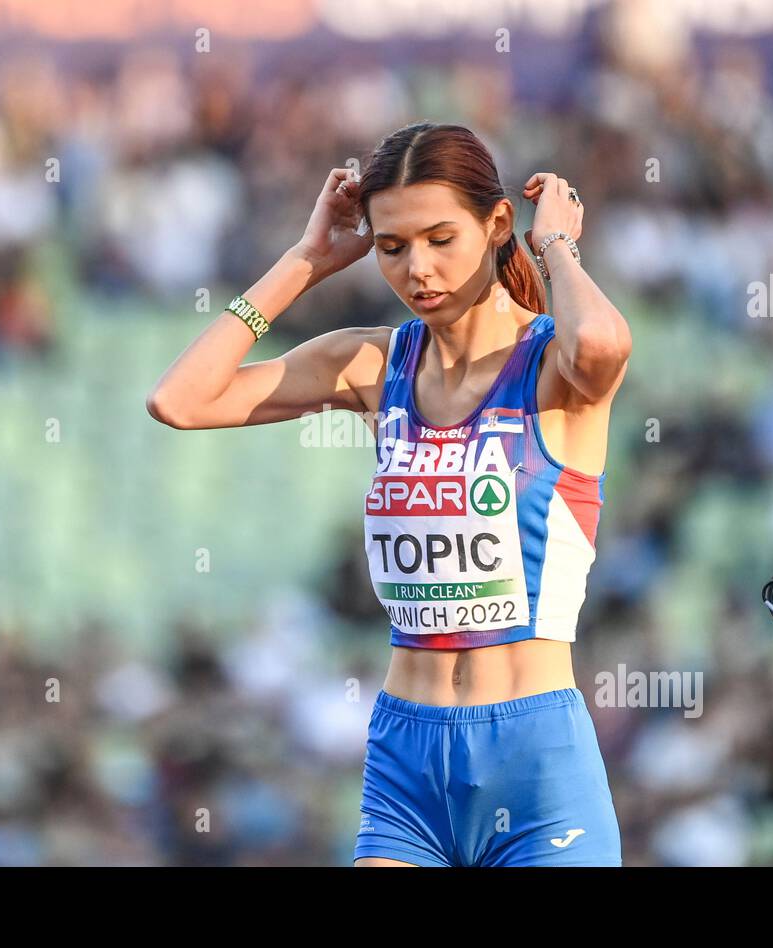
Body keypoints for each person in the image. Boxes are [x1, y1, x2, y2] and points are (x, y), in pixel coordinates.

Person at [147, 122, 631, 866]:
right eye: (392, 247)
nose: (418, 270)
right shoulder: (374, 363)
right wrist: (305, 263)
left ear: (497, 223)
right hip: (407, 761)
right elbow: (180, 400)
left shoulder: (552, 367)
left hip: (536, 763)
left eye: (441, 238)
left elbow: (601, 345)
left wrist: (557, 249)